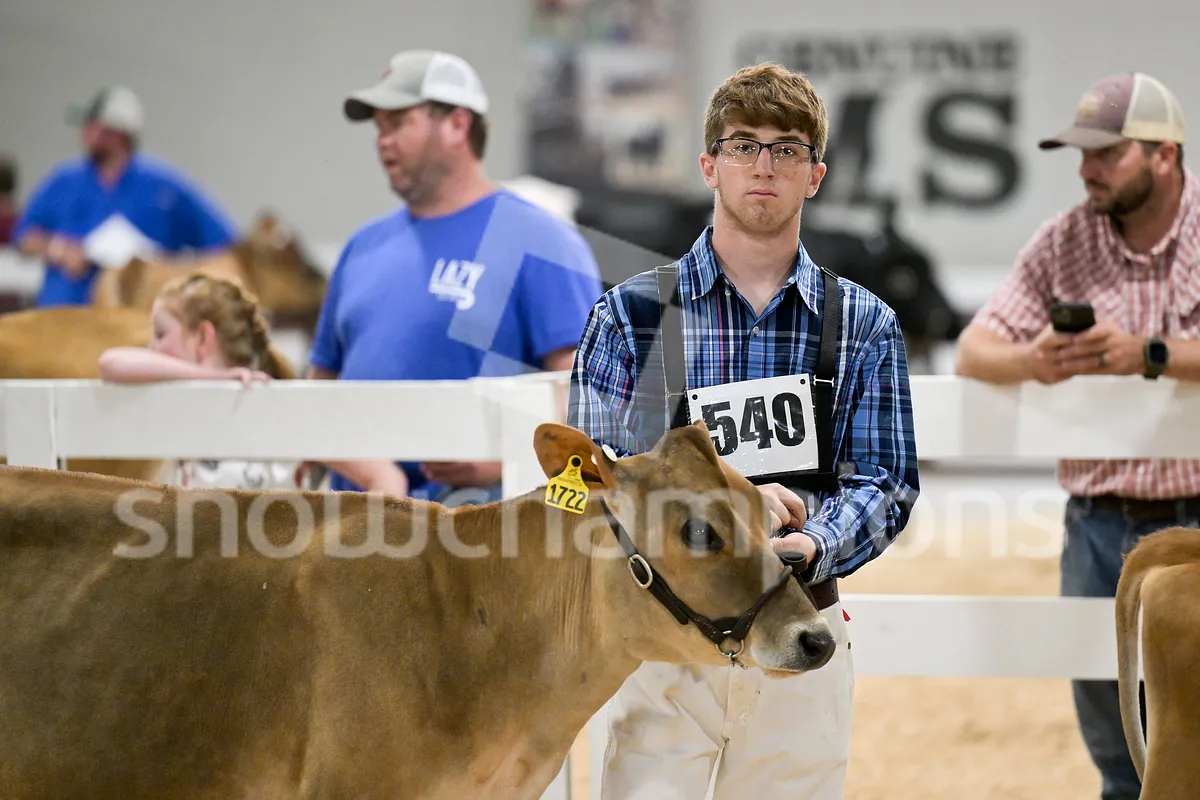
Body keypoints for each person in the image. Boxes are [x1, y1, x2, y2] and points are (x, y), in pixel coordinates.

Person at [568, 61, 920, 799]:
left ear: (815, 175)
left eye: (787, 149)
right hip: (665, 643)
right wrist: (728, 508)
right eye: (743, 145)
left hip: (800, 629)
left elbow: (885, 483)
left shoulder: (863, 323)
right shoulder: (629, 316)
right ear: (709, 166)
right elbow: (583, 487)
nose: (764, 165)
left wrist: (817, 542)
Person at [955, 71, 1197, 800]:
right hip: (1100, 527)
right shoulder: (1064, 239)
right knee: (1118, 746)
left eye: (1106, 153)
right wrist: (1035, 360)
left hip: (1192, 522)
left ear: (1164, 154)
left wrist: (1151, 354)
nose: (1087, 169)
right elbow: (975, 351)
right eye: (1082, 155)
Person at [307, 49, 603, 504]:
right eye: (378, 128)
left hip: (478, 542)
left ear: (457, 125)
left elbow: (587, 405)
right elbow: (320, 388)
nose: (382, 141)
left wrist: (498, 461)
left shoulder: (543, 244)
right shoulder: (362, 248)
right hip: (357, 536)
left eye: (398, 123)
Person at [13, 85, 239, 308]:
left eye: (95, 126)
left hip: (134, 320)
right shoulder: (65, 179)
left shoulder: (164, 186)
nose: (86, 133)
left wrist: (166, 268)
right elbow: (23, 236)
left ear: (118, 134)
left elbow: (223, 243)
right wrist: (59, 249)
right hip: (65, 311)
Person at [97, 273, 318, 491]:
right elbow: (109, 363)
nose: (152, 349)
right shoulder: (183, 395)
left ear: (203, 337)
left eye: (161, 334)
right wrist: (209, 376)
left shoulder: (266, 393)